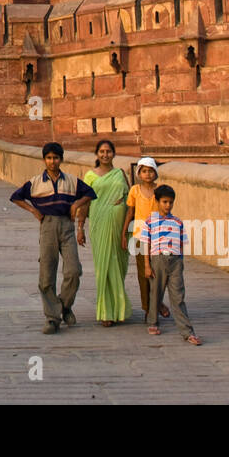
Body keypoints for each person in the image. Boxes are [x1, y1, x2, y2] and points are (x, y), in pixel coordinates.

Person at [9, 142, 96, 334]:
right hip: (47, 225)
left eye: (56, 158)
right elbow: (16, 197)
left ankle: (63, 306)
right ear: (44, 160)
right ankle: (52, 317)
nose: (52, 161)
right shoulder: (36, 182)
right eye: (49, 158)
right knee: (47, 274)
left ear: (61, 159)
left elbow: (90, 193)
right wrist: (33, 210)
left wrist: (76, 205)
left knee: (73, 271)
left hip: (67, 225)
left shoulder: (71, 181)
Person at [139, 184, 201, 345]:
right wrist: (147, 265)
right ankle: (153, 322)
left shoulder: (177, 223)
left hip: (175, 262)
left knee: (178, 297)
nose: (168, 205)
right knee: (156, 293)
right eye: (165, 202)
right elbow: (146, 244)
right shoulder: (150, 221)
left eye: (170, 202)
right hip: (157, 260)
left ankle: (187, 332)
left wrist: (180, 262)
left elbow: (181, 243)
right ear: (157, 201)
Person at [81, 139, 131, 326]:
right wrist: (80, 228)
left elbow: (130, 198)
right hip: (99, 224)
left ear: (113, 154)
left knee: (118, 266)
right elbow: (85, 203)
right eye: (101, 151)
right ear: (97, 154)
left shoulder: (119, 174)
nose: (105, 155)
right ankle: (106, 312)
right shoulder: (90, 176)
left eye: (108, 151)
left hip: (119, 225)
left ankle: (118, 309)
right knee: (103, 267)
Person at [121, 157, 169, 320]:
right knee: (144, 274)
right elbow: (130, 212)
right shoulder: (135, 190)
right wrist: (123, 234)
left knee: (159, 272)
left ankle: (158, 302)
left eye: (150, 171)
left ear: (155, 173)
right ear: (139, 174)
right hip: (140, 237)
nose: (147, 174)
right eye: (144, 171)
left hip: (158, 236)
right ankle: (149, 308)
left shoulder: (160, 190)